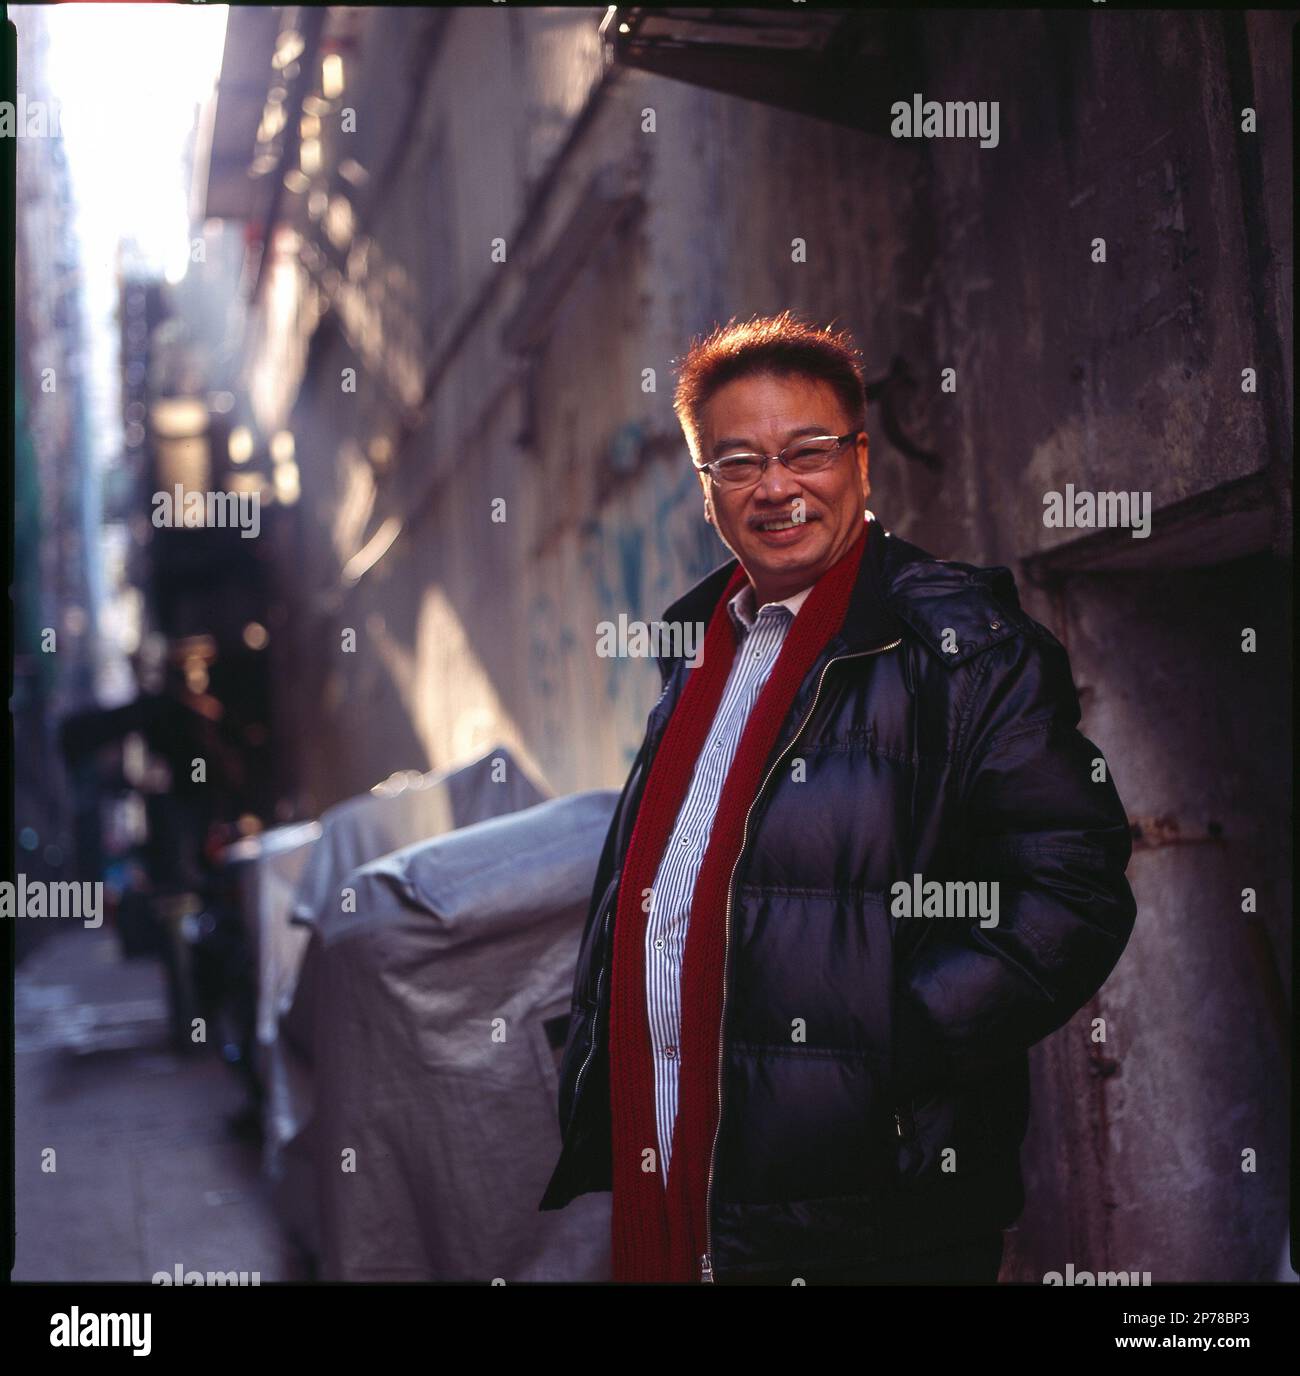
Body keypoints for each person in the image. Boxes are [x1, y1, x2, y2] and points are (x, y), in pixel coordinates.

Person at [539, 310, 1137, 1285]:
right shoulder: (700, 650)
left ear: (862, 461)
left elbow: (1073, 882)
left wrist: (884, 1041)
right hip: (693, 1172)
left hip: (875, 1201)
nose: (774, 485)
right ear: (705, 492)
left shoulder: (961, 640)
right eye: (736, 462)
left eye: (805, 450)